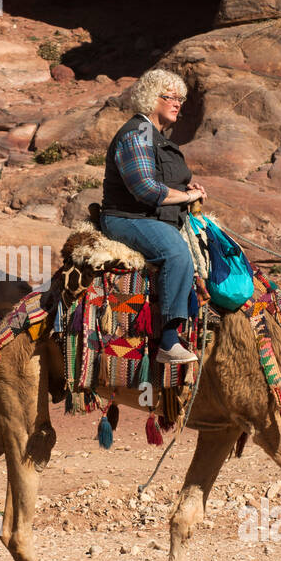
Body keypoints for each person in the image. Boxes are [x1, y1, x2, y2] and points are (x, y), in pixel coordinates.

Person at [99, 68, 206, 364]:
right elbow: (145, 189)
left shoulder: (157, 137)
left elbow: (165, 180)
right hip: (128, 217)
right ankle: (169, 341)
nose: (177, 104)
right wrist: (186, 196)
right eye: (170, 97)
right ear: (151, 98)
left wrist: (187, 188)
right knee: (175, 252)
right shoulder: (136, 133)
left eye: (180, 99)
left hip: (156, 216)